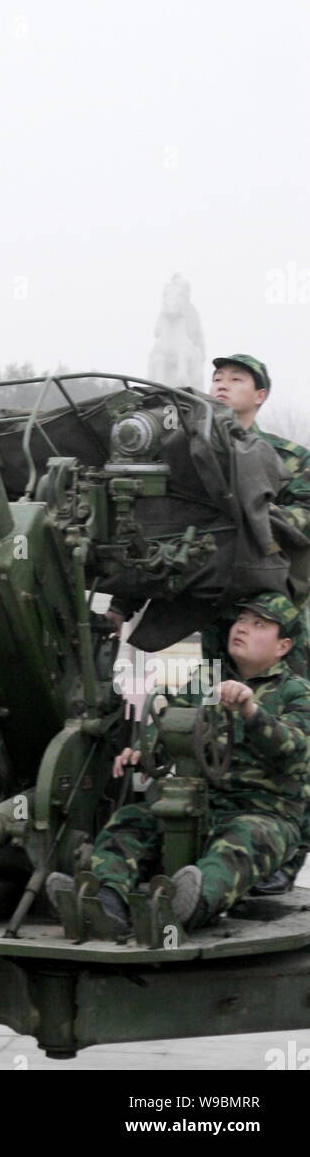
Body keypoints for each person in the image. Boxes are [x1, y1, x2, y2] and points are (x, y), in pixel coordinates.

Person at [47, 593, 310, 936]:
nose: (242, 628)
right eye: (241, 620)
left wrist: (251, 712)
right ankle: (106, 900)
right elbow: (170, 723)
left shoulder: (296, 691)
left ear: (283, 646)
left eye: (258, 624)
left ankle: (186, 908)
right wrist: (144, 753)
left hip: (264, 815)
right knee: (131, 822)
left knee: (235, 848)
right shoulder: (206, 680)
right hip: (200, 805)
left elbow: (296, 749)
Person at [206, 354, 310, 889]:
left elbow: (302, 520)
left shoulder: (289, 457)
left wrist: (248, 509)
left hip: (279, 612)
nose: (222, 385)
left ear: (261, 395)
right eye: (217, 378)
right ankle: (223, 847)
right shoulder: (198, 455)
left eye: (236, 380)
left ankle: (283, 859)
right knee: (217, 716)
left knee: (294, 727)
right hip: (221, 613)